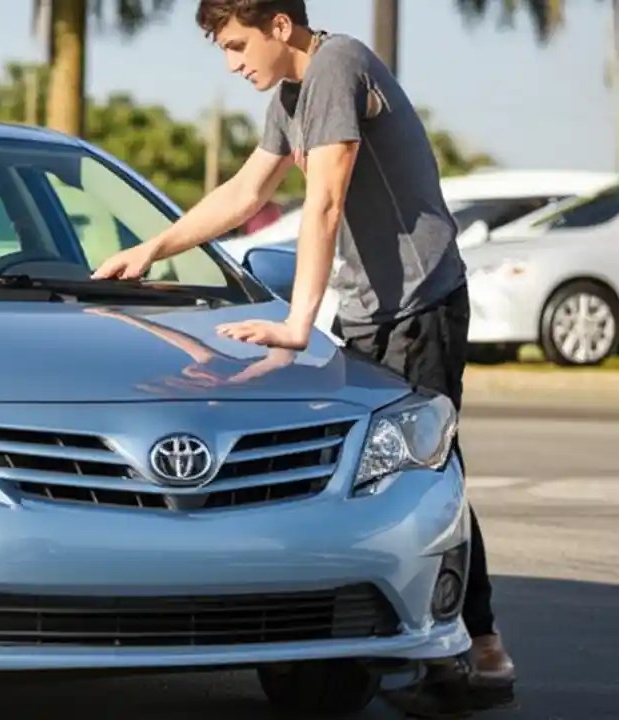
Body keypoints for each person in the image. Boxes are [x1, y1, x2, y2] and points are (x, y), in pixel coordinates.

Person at [91, 0, 516, 714]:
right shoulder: (293, 92)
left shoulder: (337, 66)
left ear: (279, 25)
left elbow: (323, 201)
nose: (232, 63)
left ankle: (477, 649)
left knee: (423, 472)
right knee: (380, 475)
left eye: (235, 45)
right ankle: (407, 641)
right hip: (370, 310)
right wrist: (152, 249)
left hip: (420, 303)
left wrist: (296, 323)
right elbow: (247, 192)